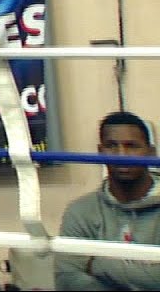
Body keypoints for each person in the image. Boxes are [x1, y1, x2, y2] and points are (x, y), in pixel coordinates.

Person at [55, 111, 160, 291]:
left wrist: (99, 264)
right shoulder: (80, 212)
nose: (121, 154)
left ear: (150, 152)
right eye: (112, 145)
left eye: (132, 146)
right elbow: (68, 280)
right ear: (100, 151)